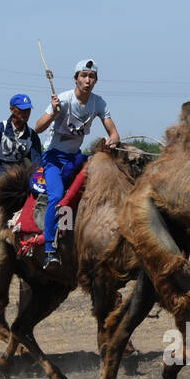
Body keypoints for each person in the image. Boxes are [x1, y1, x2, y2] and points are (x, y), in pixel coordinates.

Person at [32, 61, 118, 266]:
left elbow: (113, 133)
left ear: (96, 80)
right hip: (53, 158)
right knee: (56, 196)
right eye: (83, 75)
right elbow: (37, 128)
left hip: (76, 157)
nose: (87, 80)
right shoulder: (63, 99)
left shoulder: (99, 103)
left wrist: (112, 141)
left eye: (91, 76)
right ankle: (49, 249)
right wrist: (53, 112)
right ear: (76, 78)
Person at [0, 93, 44, 226]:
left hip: (19, 177)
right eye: (22, 109)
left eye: (28, 110)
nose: (26, 113)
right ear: (12, 110)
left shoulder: (32, 136)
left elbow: (37, 160)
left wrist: (39, 177)